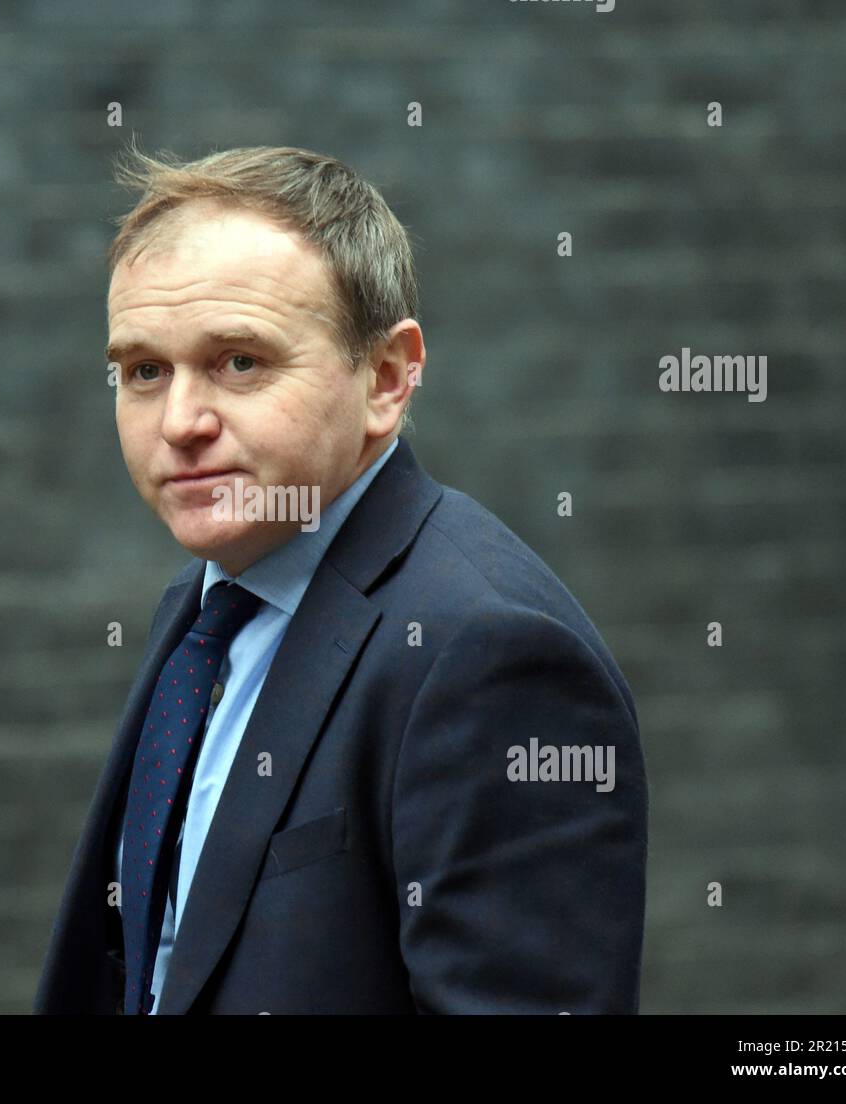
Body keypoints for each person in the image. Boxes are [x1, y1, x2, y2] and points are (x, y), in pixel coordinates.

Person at [33, 142, 647, 1014]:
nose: (180, 422)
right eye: (143, 371)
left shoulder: (490, 654)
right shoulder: (214, 602)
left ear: (388, 378)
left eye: (240, 361)